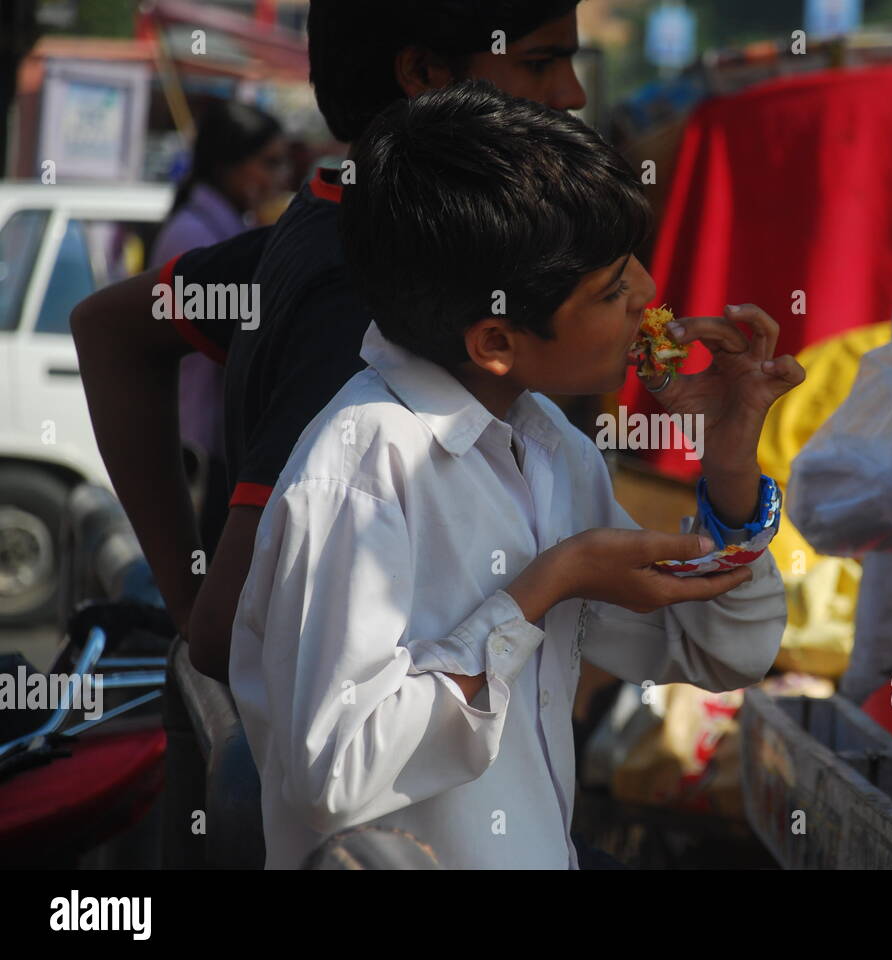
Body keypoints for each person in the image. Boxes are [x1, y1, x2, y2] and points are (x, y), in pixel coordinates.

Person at [230, 81, 804, 869]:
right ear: (497, 340)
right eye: (609, 289)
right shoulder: (362, 470)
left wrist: (730, 460)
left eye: (631, 264)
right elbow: (335, 775)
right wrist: (544, 587)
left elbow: (718, 654)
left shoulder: (548, 448)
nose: (646, 293)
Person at [71, 0, 591, 867]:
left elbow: (110, 325)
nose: (571, 94)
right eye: (541, 62)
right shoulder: (362, 296)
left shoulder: (335, 223)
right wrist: (196, 597)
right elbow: (221, 627)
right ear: (422, 73)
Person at [150, 100, 287, 554]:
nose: (279, 177)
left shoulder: (227, 229)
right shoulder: (194, 235)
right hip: (198, 448)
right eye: (268, 162)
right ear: (229, 165)